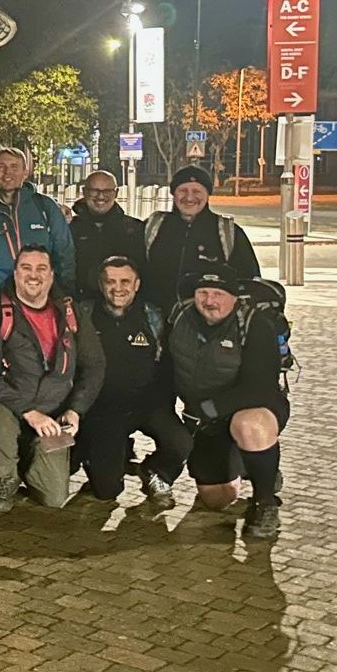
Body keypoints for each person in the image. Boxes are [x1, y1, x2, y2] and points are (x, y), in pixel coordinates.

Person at [0, 246, 105, 511]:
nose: (33, 276)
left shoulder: (71, 313)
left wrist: (75, 409)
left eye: (41, 269)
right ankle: (3, 479)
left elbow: (94, 366)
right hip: (10, 406)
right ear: (15, 273)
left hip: (54, 412)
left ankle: (26, 459)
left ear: (52, 275)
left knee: (54, 498)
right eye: (26, 268)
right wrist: (27, 411)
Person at [164, 266, 287, 538]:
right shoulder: (179, 317)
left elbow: (261, 387)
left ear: (234, 298)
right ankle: (250, 464)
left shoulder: (255, 324)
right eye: (203, 293)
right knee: (216, 499)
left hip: (252, 406)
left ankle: (265, 501)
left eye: (218, 294)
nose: (210, 301)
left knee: (249, 426)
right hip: (205, 420)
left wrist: (211, 408)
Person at [76, 257, 190, 507]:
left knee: (181, 441)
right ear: (101, 284)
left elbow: (166, 367)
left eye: (125, 281)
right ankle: (94, 458)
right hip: (103, 408)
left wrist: (164, 406)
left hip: (145, 404)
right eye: (111, 281)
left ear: (137, 284)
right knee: (106, 491)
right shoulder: (84, 314)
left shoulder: (153, 317)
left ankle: (155, 472)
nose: (118, 288)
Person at [0, 146, 75, 311]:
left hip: (42, 302)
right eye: (1, 167)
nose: (7, 173)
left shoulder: (44, 207)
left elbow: (64, 252)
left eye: (14, 167)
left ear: (25, 172)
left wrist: (65, 294)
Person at [142, 166, 259, 313]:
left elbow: (248, 281)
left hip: (207, 323)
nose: (189, 198)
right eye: (183, 191)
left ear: (208, 194)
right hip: (156, 320)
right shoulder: (154, 226)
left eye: (197, 191)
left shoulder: (227, 232)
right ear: (173, 194)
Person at [69, 171, 146, 299]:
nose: (100, 196)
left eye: (107, 191)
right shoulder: (70, 229)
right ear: (84, 192)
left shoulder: (135, 229)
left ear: (116, 193)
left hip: (122, 306)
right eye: (94, 190)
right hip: (80, 305)